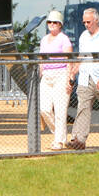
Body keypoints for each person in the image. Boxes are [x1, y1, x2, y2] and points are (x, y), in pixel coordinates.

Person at [66, 7, 99, 149]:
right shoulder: (83, 35)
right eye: (84, 22)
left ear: (96, 20)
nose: (86, 24)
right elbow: (81, 57)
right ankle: (78, 140)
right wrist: (73, 73)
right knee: (82, 109)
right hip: (85, 78)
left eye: (88, 22)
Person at [37, 10, 74, 150]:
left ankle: (59, 140)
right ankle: (59, 135)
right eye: (50, 22)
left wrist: (69, 79)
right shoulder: (44, 39)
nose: (52, 24)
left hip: (61, 73)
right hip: (46, 75)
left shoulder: (64, 39)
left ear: (60, 25)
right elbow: (41, 59)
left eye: (55, 22)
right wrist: (40, 75)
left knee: (60, 110)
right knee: (44, 108)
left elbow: (69, 59)